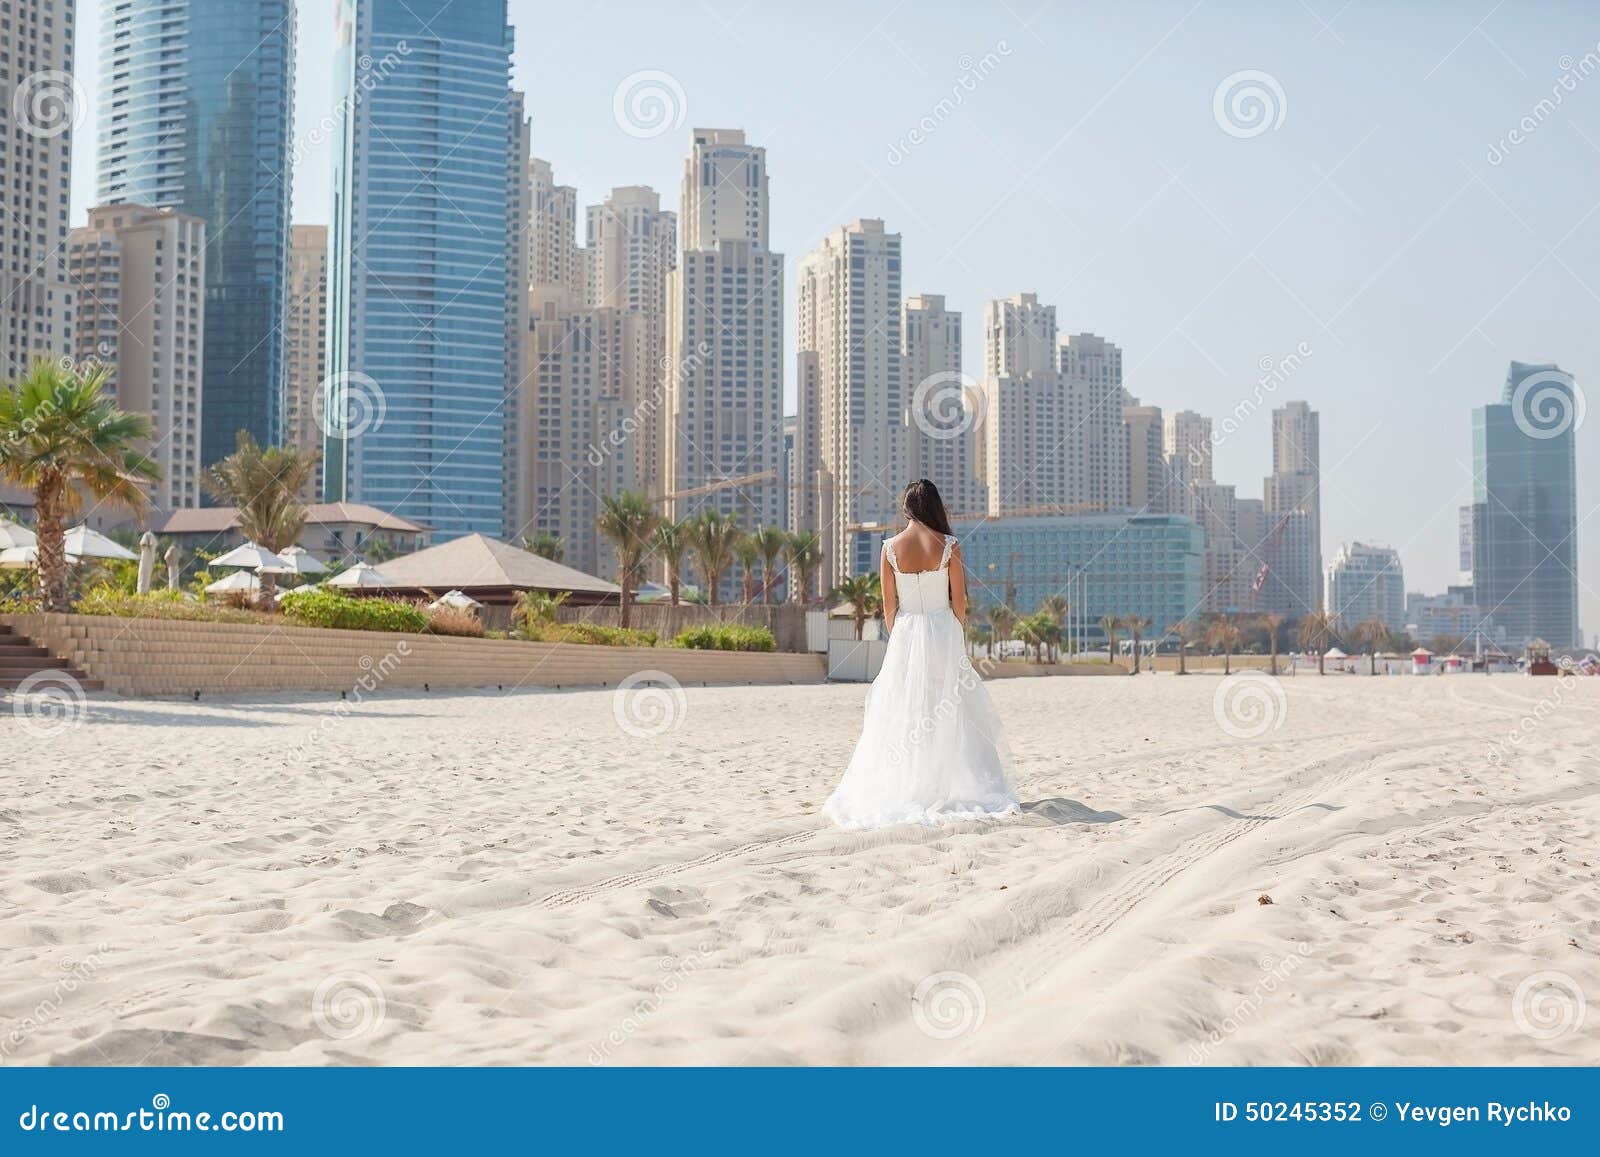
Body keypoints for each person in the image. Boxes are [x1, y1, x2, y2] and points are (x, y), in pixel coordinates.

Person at [822, 480, 1020, 828]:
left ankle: (908, 782)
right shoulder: (949, 545)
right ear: (935, 507)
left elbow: (889, 605)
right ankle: (948, 780)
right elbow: (959, 602)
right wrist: (955, 633)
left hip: (906, 632)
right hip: (943, 629)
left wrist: (901, 635)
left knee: (905, 708)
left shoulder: (889, 548)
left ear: (907, 508)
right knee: (949, 705)